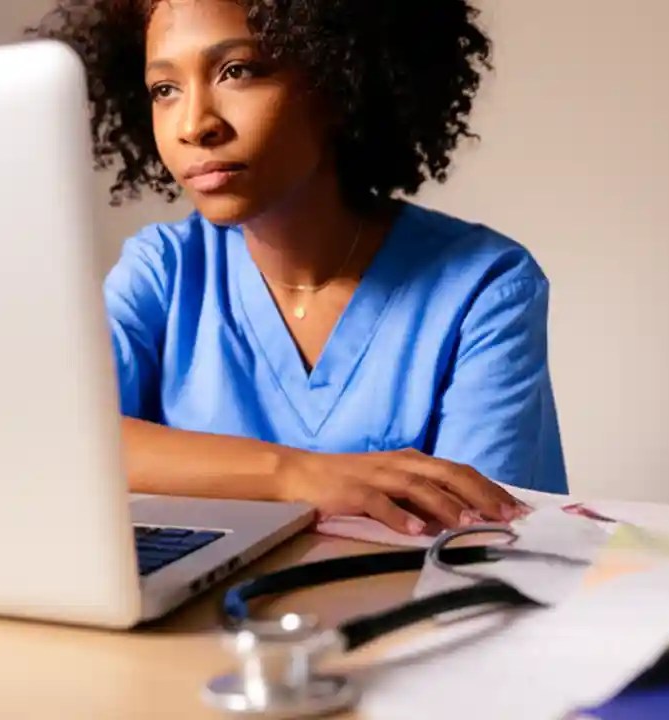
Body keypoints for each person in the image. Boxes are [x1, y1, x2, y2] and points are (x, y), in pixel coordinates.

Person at [33, 0, 567, 535]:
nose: (194, 125)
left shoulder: (486, 288)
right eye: (164, 90)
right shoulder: (165, 270)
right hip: (203, 614)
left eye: (236, 71)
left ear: (337, 78)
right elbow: (57, 437)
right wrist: (296, 475)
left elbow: (479, 537)